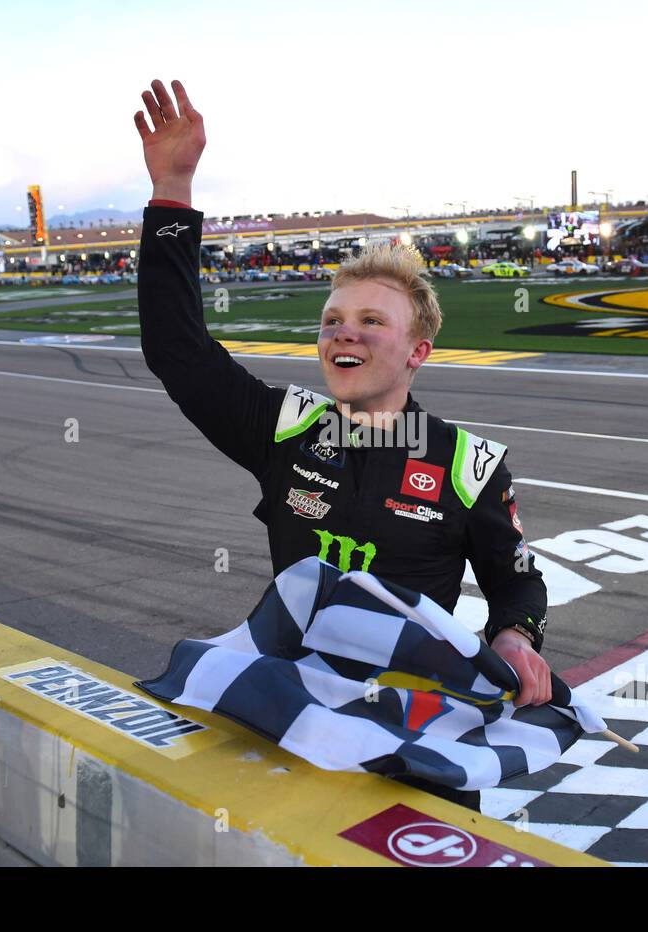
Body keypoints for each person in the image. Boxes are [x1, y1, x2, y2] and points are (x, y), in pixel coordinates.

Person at [131, 78, 551, 813]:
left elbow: (517, 579)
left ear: (418, 352)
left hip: (413, 734)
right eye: (331, 321)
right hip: (290, 722)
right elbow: (178, 351)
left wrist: (516, 635)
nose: (342, 333)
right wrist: (173, 188)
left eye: (369, 321)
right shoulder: (288, 428)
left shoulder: (466, 463)